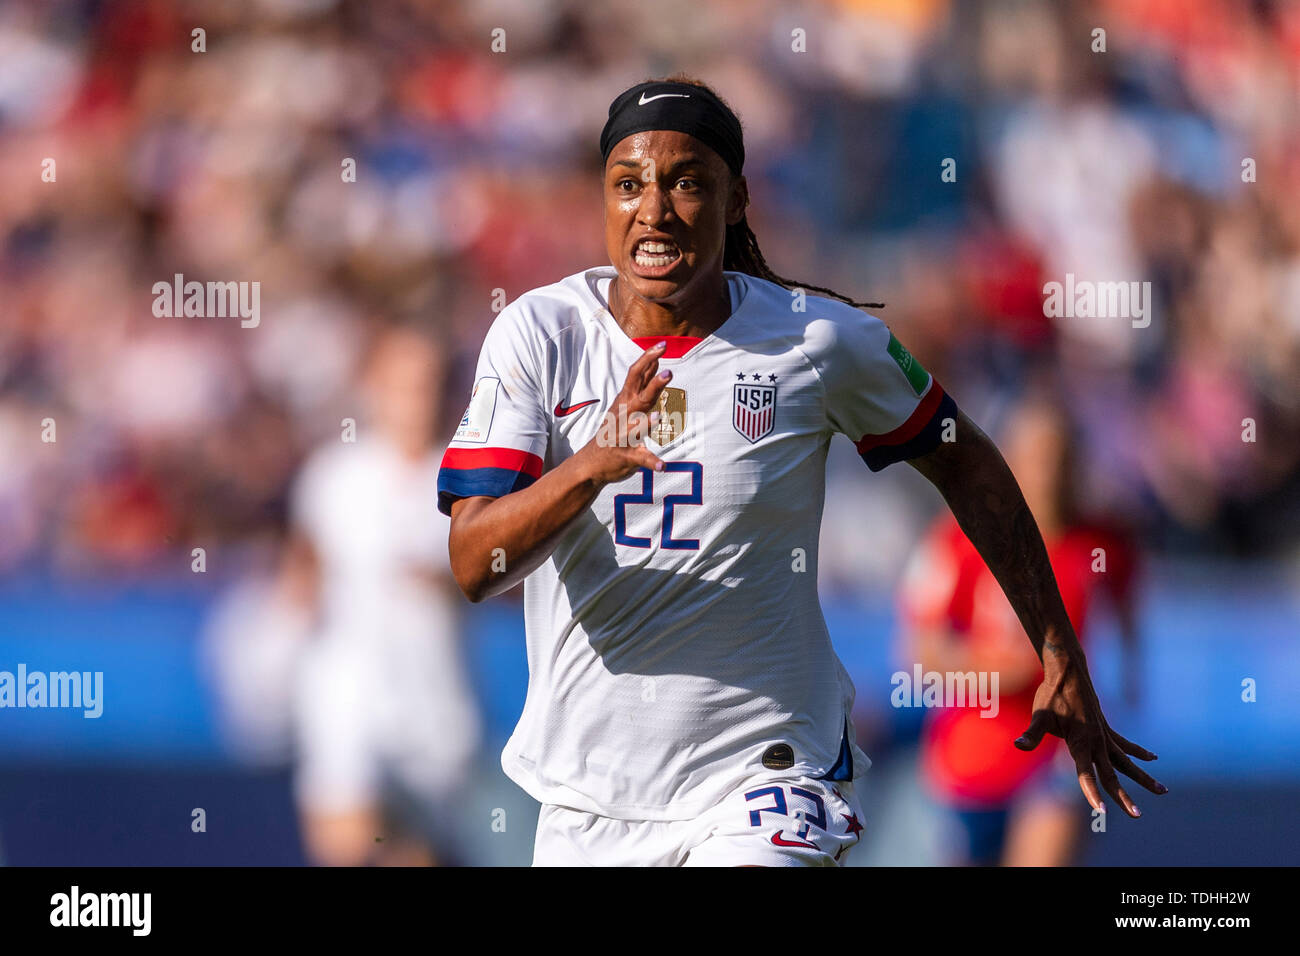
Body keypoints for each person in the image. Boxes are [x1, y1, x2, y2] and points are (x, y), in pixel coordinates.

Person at [437, 76, 1165, 867]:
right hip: (593, 795)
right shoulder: (539, 336)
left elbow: (969, 464)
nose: (654, 209)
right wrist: (588, 468)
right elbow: (478, 563)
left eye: (687, 182)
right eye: (628, 185)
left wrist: (1057, 648)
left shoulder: (817, 341)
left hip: (768, 773)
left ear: (737, 198)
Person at [899, 395, 1142, 865]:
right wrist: (1001, 669)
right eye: (1037, 457)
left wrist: (1123, 690)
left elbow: (1127, 613)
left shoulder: (1102, 541)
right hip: (972, 756)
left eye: (1061, 457)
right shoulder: (957, 541)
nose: (1050, 472)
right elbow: (917, 655)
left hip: (1057, 753)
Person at [291, 323, 481, 866]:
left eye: (426, 384)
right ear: (372, 384)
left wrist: (451, 581)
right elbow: (302, 576)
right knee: (345, 838)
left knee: (417, 853)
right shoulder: (334, 476)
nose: (414, 399)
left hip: (435, 706)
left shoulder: (470, 482)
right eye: (401, 383)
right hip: (350, 694)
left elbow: (506, 582)